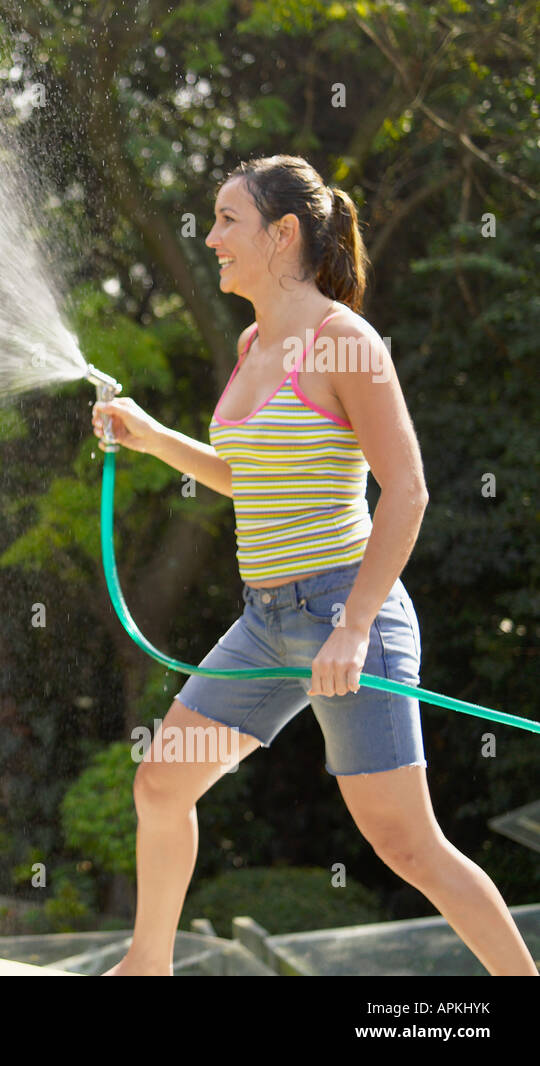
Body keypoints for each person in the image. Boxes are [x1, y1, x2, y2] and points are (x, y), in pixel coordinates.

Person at [91, 154, 537, 976]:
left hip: (346, 613)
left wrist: (356, 627)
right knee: (160, 786)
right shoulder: (253, 341)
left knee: (409, 845)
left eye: (229, 220)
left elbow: (407, 490)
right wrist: (154, 439)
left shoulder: (348, 343)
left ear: (283, 232)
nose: (212, 236)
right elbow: (250, 476)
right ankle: (145, 967)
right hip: (265, 623)